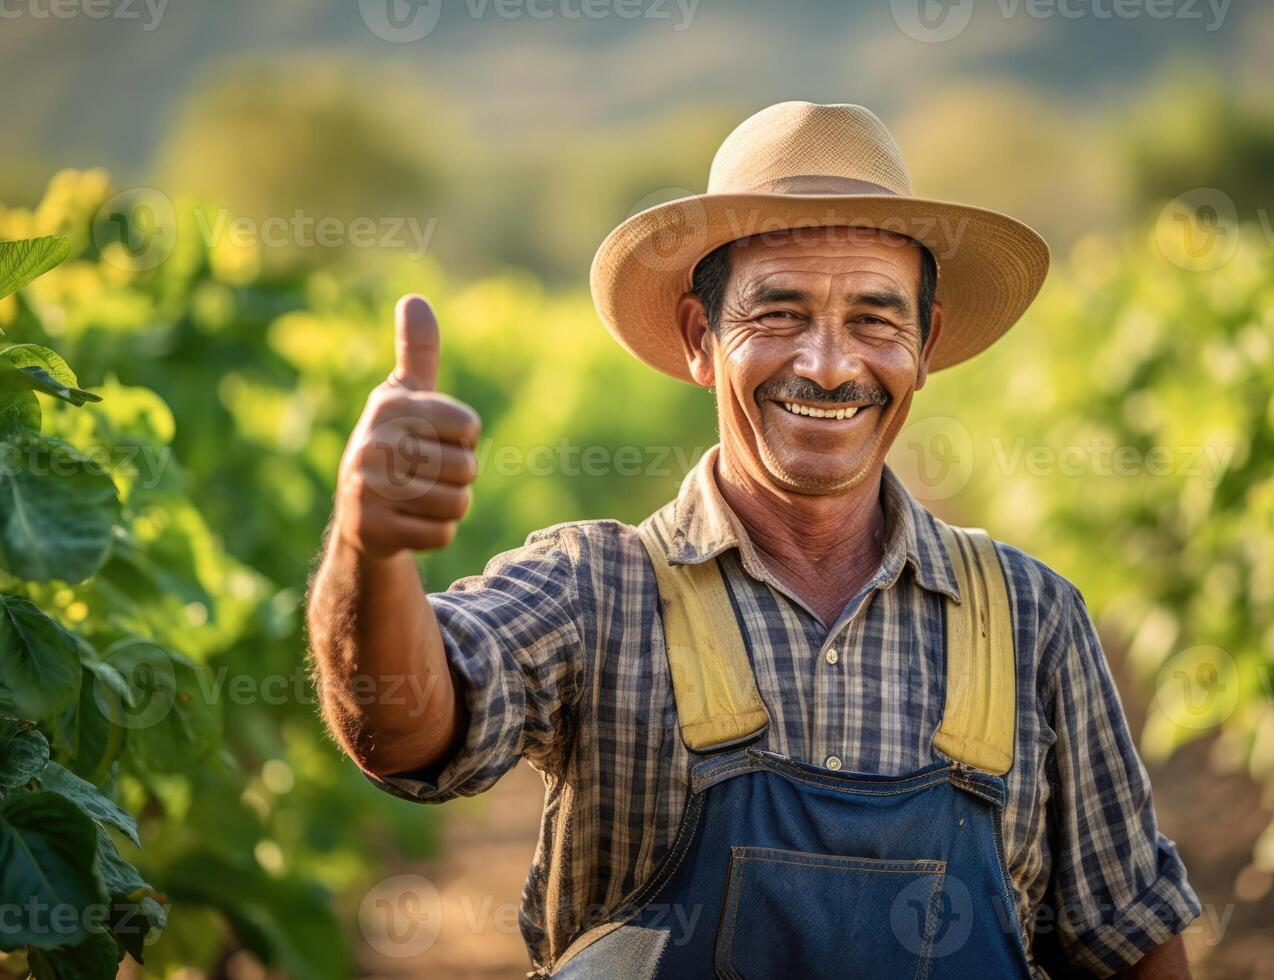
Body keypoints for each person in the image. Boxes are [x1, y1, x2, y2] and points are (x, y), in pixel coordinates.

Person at [308, 101, 1200, 978]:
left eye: (874, 319)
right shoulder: (597, 590)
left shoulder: (1032, 618)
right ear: (702, 339)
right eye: (778, 314)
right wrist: (368, 549)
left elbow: (1128, 940)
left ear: (925, 344)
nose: (828, 365)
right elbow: (405, 731)